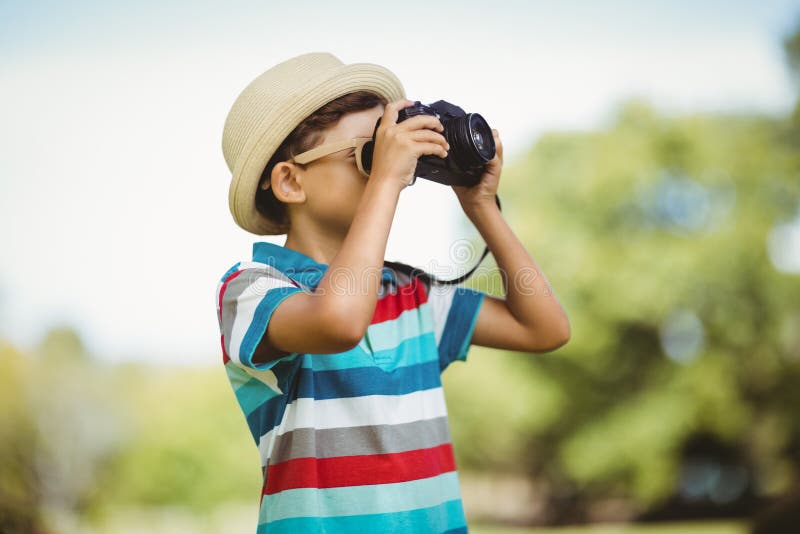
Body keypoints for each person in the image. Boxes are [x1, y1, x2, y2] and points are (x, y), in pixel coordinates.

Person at [216, 51, 571, 534]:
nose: (393, 169)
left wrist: (482, 207)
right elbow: (340, 321)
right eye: (368, 153)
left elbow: (545, 328)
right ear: (291, 180)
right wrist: (386, 177)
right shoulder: (252, 290)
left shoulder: (410, 295)